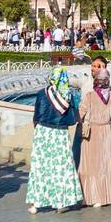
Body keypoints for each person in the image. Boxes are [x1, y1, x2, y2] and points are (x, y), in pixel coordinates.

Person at [26, 67, 83, 214]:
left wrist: (37, 127)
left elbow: (38, 114)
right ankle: (60, 203)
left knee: (41, 167)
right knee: (60, 168)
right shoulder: (68, 95)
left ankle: (36, 204)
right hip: (60, 133)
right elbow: (73, 118)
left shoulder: (42, 93)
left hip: (43, 132)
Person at [77, 58, 111, 208]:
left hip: (92, 134)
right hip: (106, 133)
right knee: (104, 165)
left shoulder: (89, 96)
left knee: (88, 165)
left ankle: (88, 197)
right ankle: (103, 198)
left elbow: (80, 113)